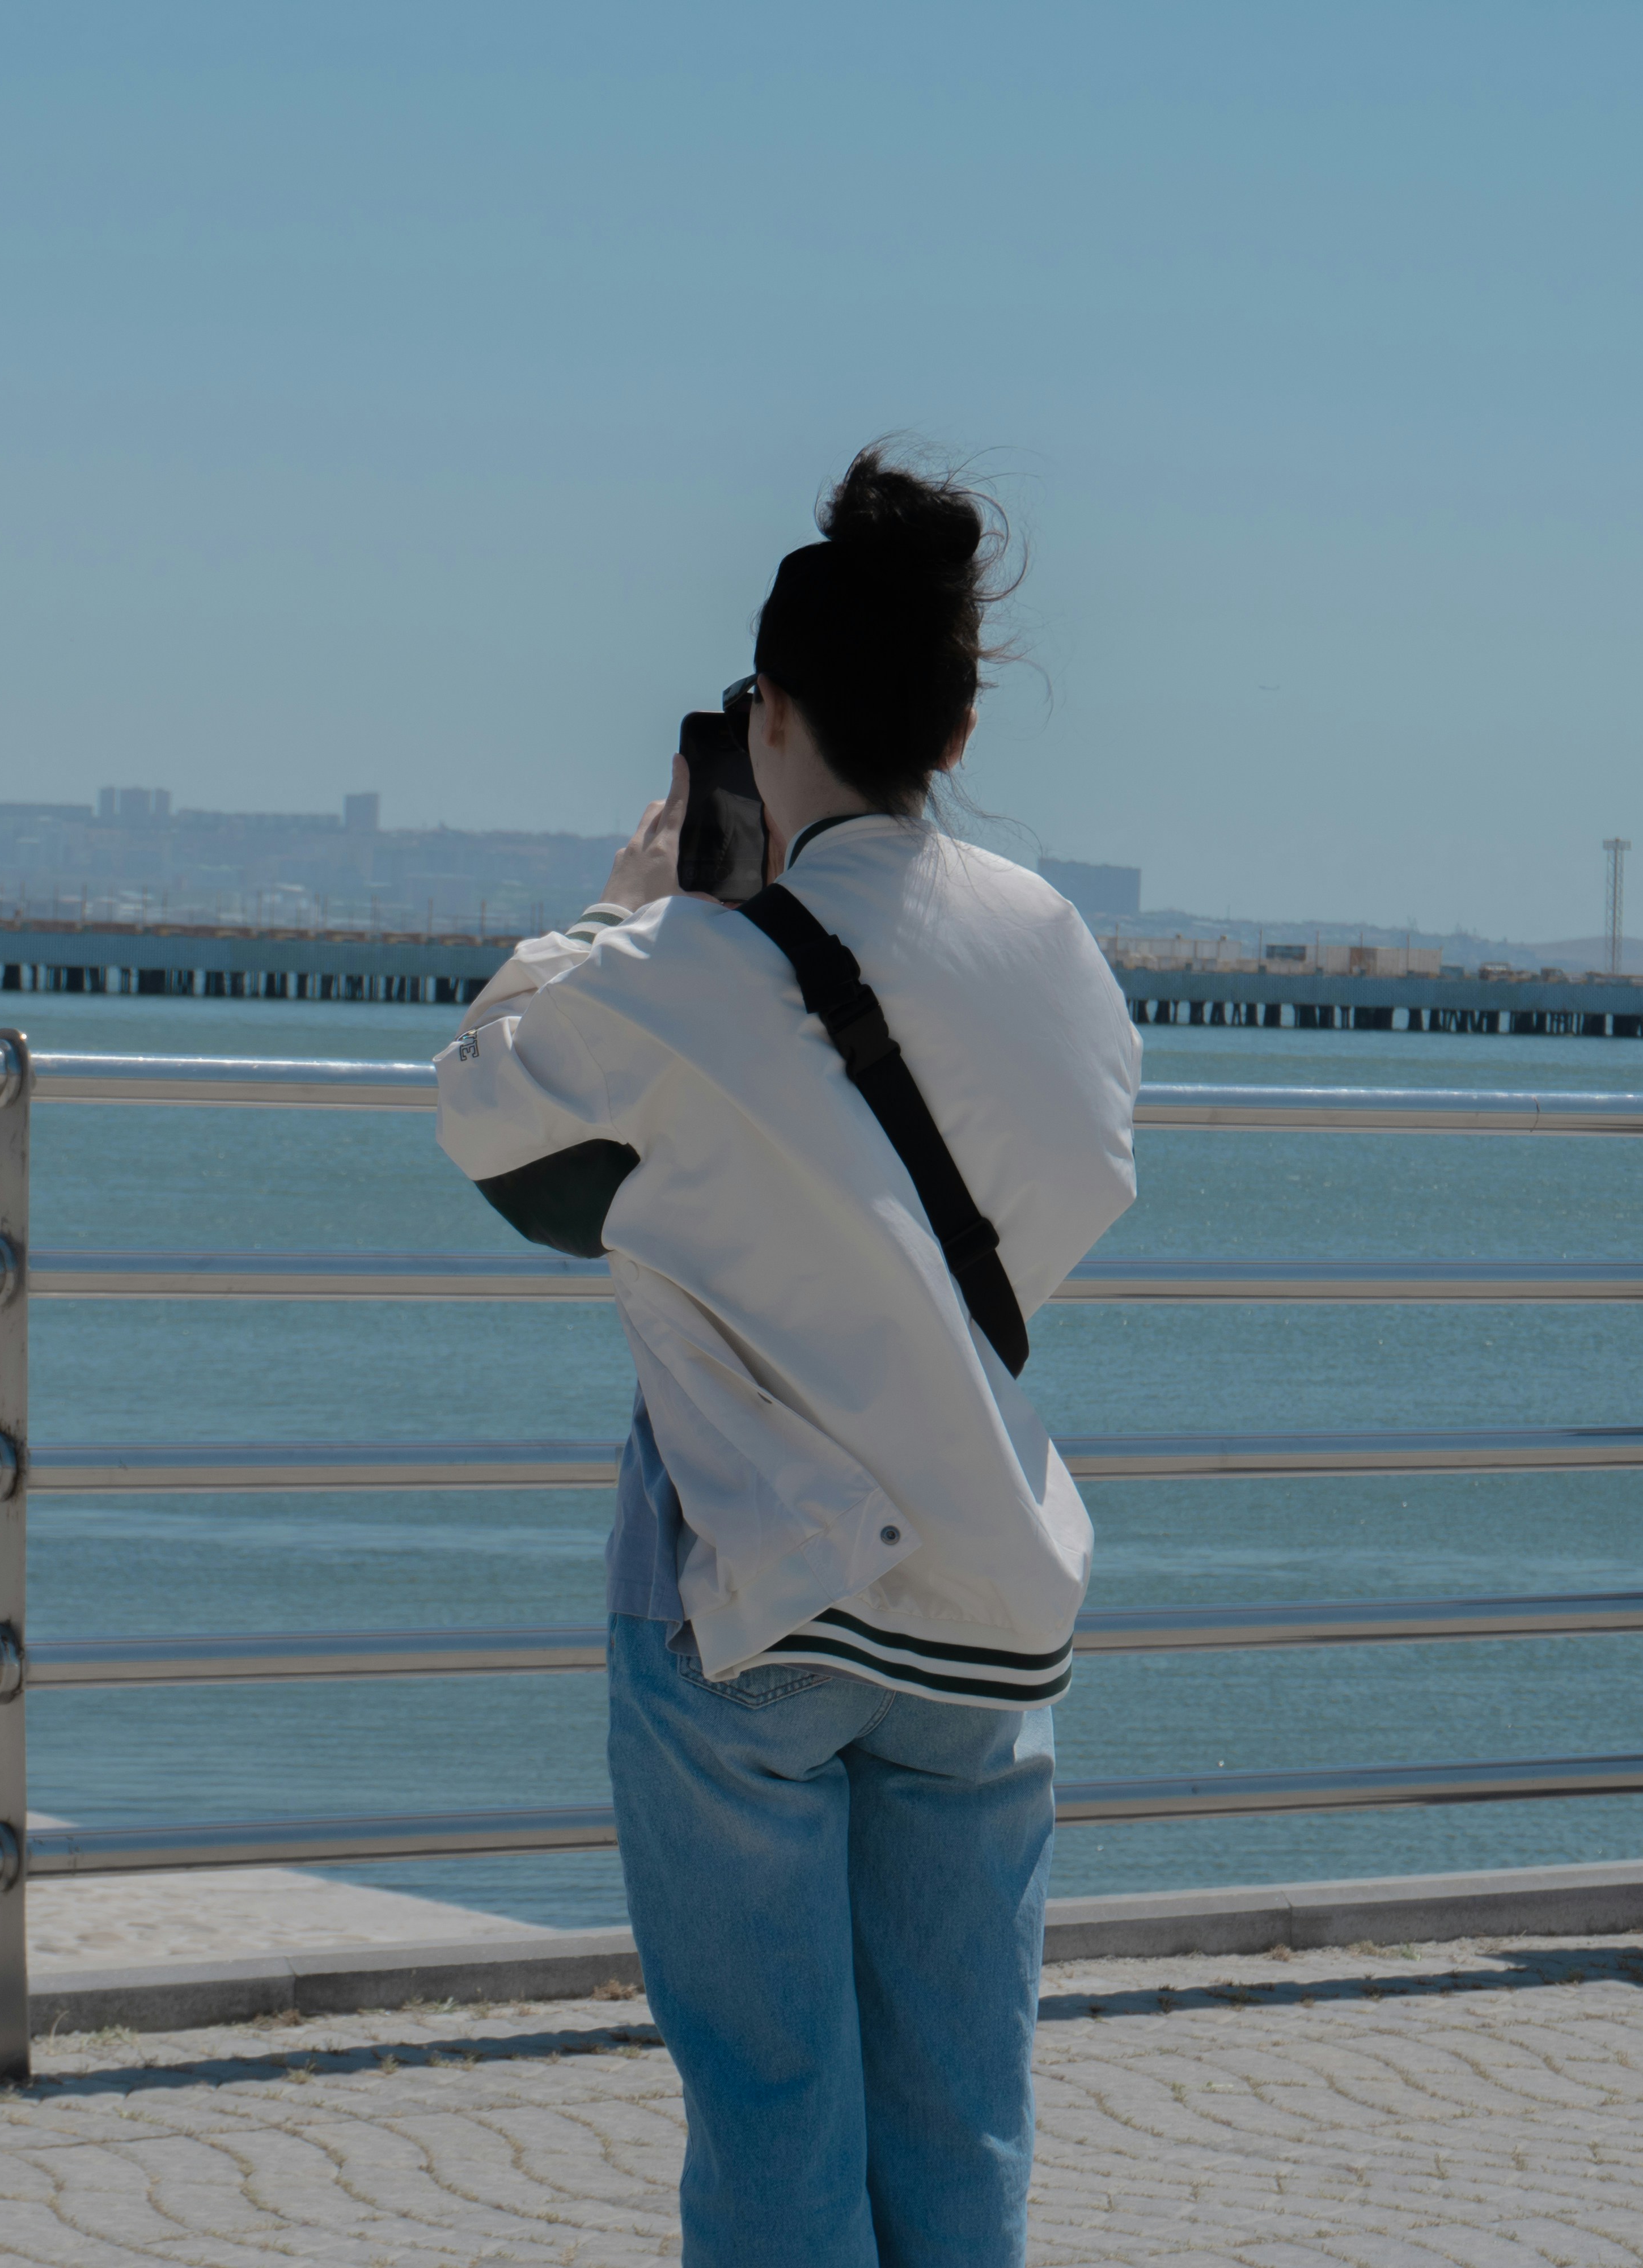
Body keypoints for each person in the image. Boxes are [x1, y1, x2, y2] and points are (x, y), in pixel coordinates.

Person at [434, 446, 1140, 2266]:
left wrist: (611, 904)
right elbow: (1077, 1182)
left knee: (774, 2122)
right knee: (962, 2120)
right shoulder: (1053, 944)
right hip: (984, 1598)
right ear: (958, 726)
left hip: (749, 1594)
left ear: (764, 717)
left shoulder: (682, 957)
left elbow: (482, 1118)